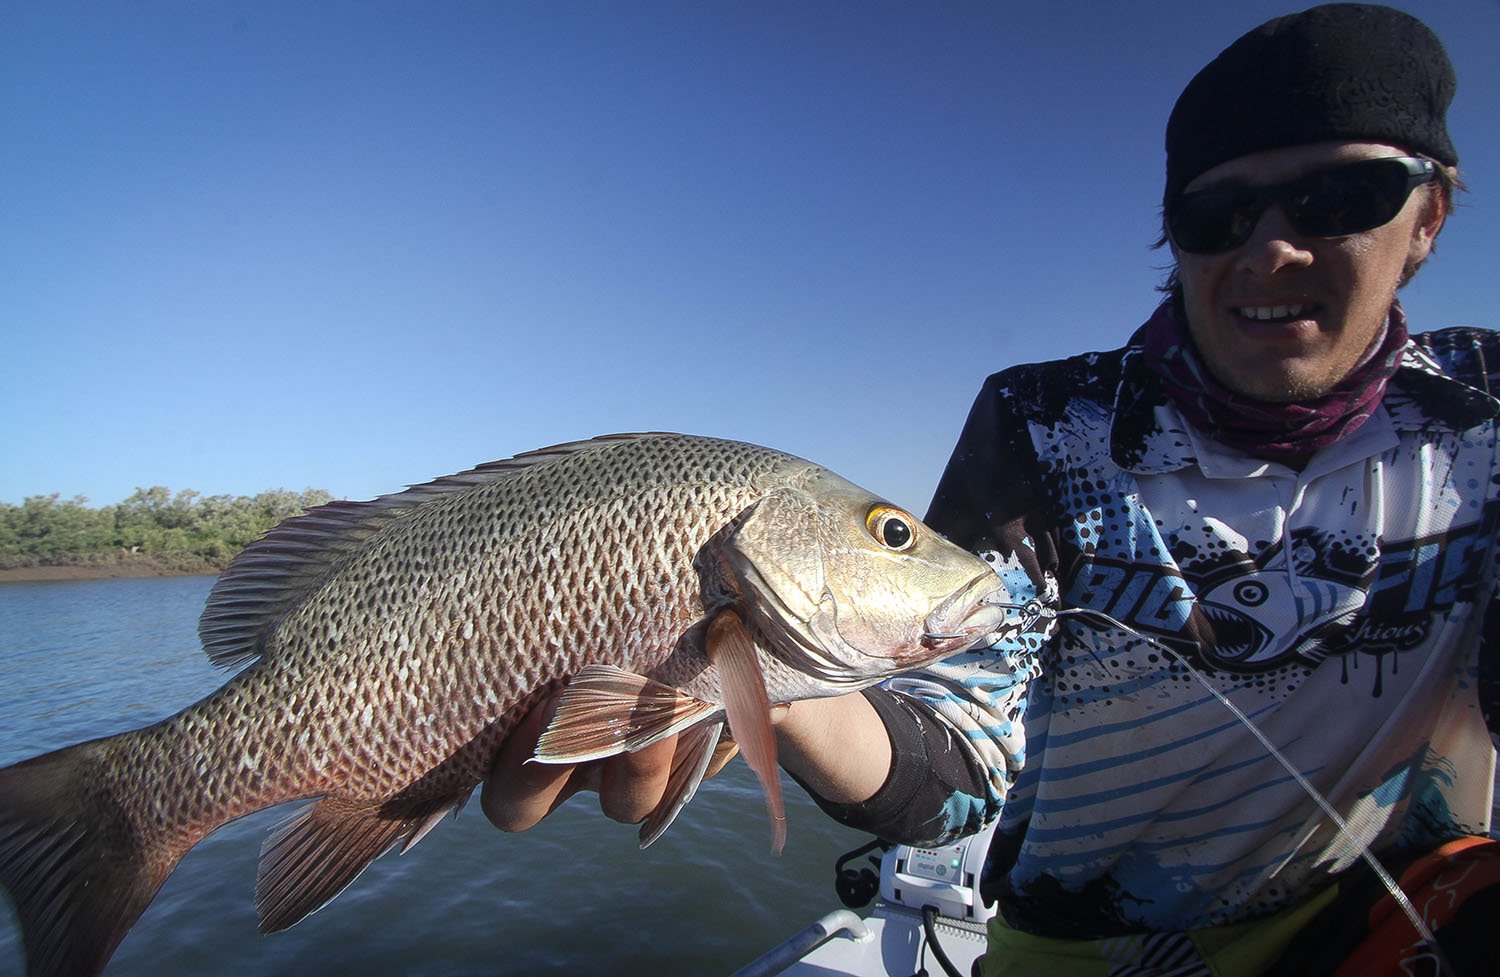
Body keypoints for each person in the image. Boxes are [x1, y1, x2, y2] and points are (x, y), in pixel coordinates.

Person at [483, 5, 1499, 974]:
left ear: (1428, 219)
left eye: (1341, 198)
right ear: (1175, 236)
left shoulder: (1487, 408)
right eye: (1217, 212)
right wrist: (779, 692)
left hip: (1400, 922)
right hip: (1089, 954)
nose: (1271, 245)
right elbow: (957, 768)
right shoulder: (1046, 427)